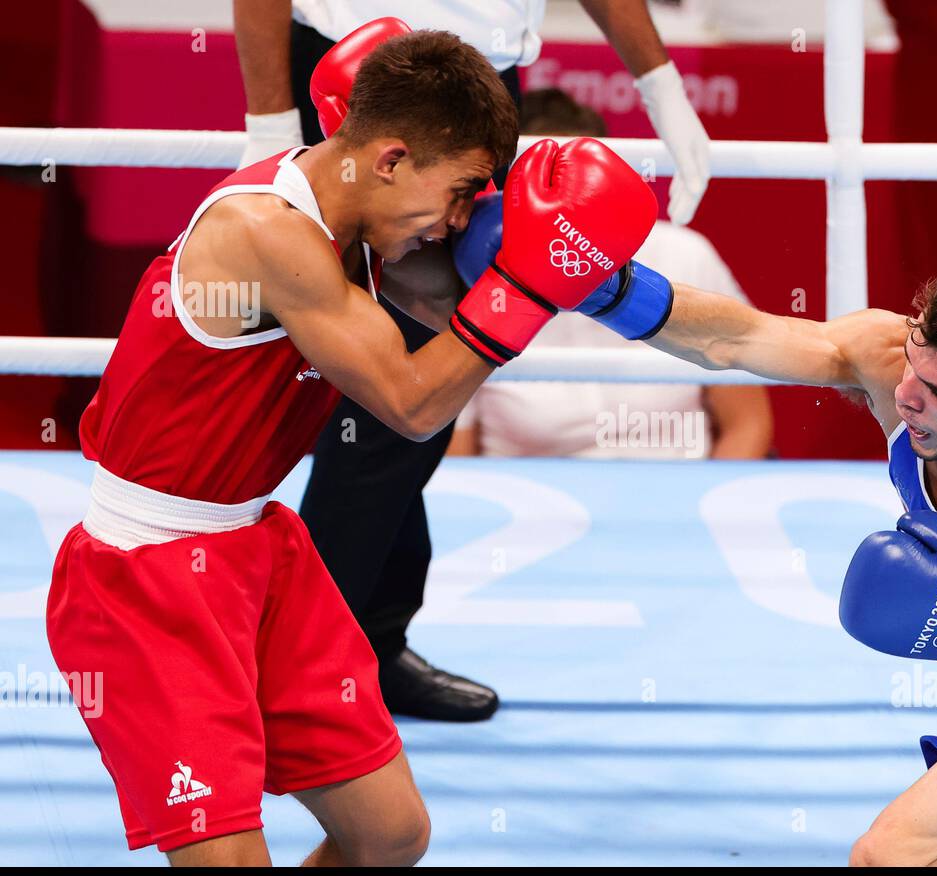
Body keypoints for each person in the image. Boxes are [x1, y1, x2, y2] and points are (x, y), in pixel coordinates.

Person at [45, 24, 656, 865]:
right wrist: (522, 293)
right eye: (461, 193)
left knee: (391, 835)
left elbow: (546, 303)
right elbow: (411, 404)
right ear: (392, 158)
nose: (454, 223)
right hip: (146, 573)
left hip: (259, 553)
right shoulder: (270, 233)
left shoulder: (372, 230)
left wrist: (808, 346)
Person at [454, 227, 937, 866]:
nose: (907, 395)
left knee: (890, 856)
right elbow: (737, 337)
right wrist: (601, 287)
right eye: (915, 360)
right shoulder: (893, 362)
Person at [233, 0, 712, 721]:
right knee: (383, 402)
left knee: (417, 396)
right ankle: (299, 671)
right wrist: (269, 125)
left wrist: (661, 84)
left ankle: (365, 643)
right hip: (355, 79)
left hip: (487, 82)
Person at [450, 89, 771, 461]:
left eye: (583, 186)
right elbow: (459, 459)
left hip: (679, 500)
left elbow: (747, 424)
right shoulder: (474, 276)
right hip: (532, 506)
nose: (566, 209)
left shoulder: (686, 255)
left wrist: (705, 516)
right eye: (549, 190)